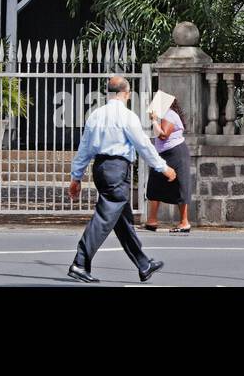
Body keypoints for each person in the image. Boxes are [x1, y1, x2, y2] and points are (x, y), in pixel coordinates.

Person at [66, 75, 176, 283]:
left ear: (108, 93)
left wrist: (76, 177)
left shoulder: (95, 115)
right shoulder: (127, 116)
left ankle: (143, 264)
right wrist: (163, 168)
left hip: (100, 168)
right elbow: (143, 145)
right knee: (105, 215)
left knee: (122, 220)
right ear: (126, 93)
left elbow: (84, 149)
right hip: (117, 170)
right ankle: (80, 263)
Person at [144, 96, 192, 232]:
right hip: (163, 154)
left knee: (180, 185)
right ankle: (152, 220)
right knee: (154, 183)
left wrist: (153, 120)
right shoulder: (164, 116)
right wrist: (154, 121)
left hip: (176, 153)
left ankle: (184, 222)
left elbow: (163, 135)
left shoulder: (170, 114)